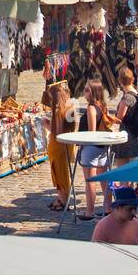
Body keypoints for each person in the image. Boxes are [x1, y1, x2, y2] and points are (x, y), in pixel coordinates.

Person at [78, 78, 115, 219]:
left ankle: (89, 212)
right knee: (103, 179)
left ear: (93, 92)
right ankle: (108, 208)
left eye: (87, 90)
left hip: (92, 147)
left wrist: (81, 145)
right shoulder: (102, 106)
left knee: (90, 180)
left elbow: (92, 132)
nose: (84, 92)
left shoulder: (92, 108)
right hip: (102, 148)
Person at [43, 81, 77, 211]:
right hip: (67, 145)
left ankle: (63, 200)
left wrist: (46, 124)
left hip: (58, 146)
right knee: (64, 173)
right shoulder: (70, 106)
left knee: (58, 173)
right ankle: (62, 198)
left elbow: (57, 130)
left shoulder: (58, 110)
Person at [112, 65, 138, 169]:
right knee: (133, 168)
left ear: (120, 81)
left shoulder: (127, 98)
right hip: (137, 133)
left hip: (126, 135)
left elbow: (119, 119)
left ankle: (125, 186)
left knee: (123, 168)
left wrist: (109, 118)